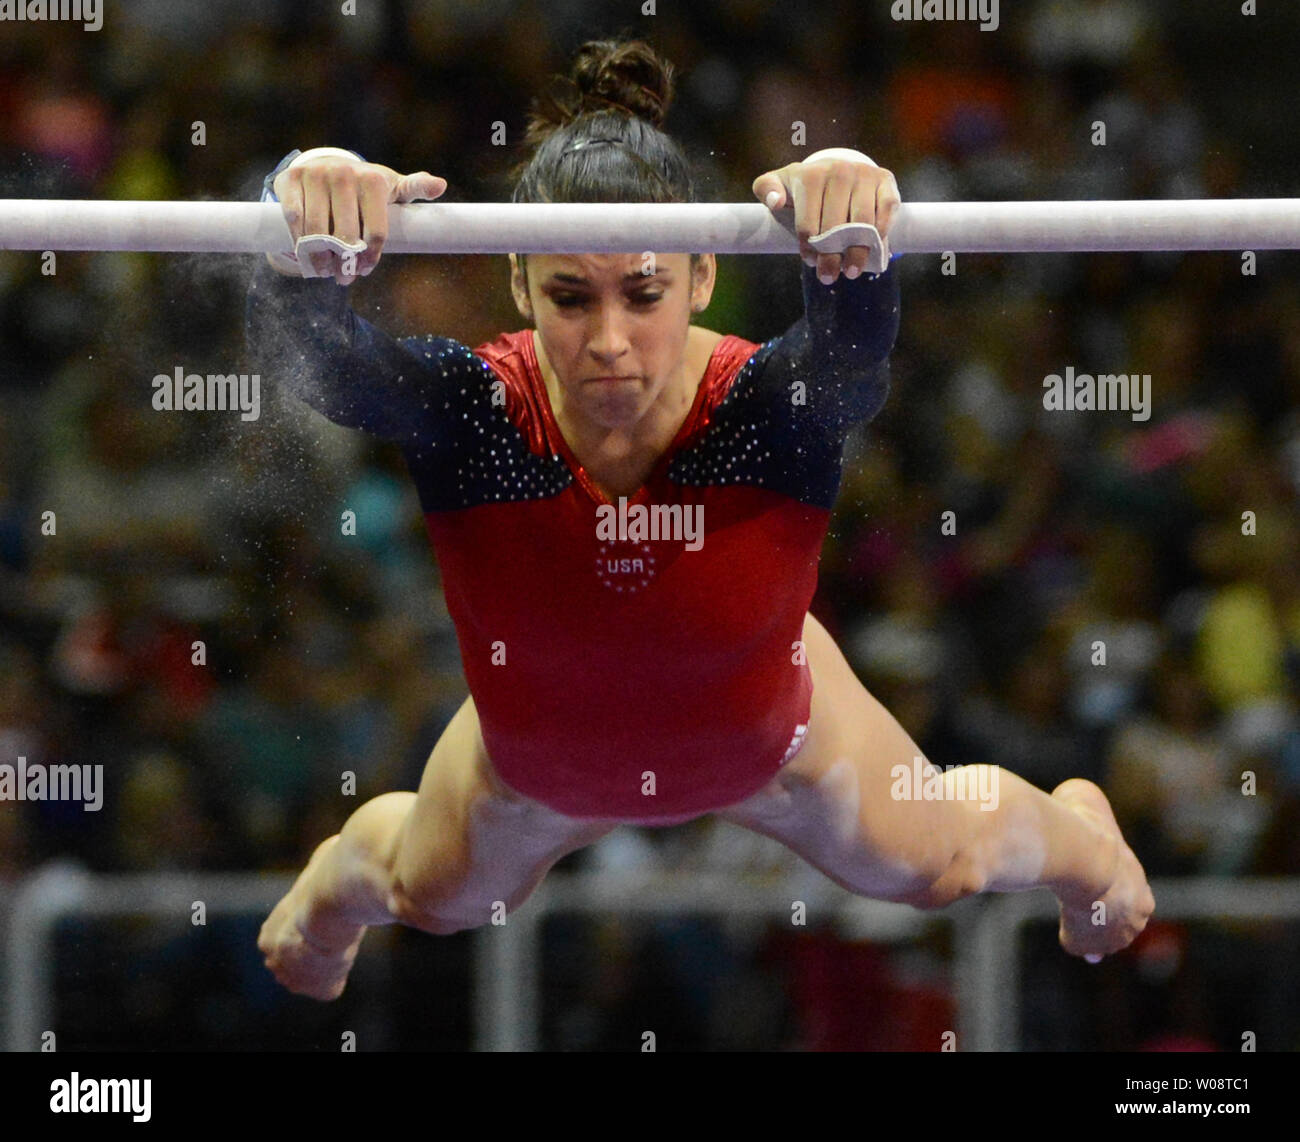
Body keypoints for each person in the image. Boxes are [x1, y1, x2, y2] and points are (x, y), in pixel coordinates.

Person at [247, 39, 1153, 1002]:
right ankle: (329, 889)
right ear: (518, 284)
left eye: (644, 295)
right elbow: (328, 370)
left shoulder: (764, 410)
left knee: (937, 867)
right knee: (428, 897)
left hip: (773, 737)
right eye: (568, 296)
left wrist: (851, 232)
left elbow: (853, 355)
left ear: (702, 277)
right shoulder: (476, 412)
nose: (608, 343)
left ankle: (1083, 836)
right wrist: (298, 216)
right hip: (540, 764)